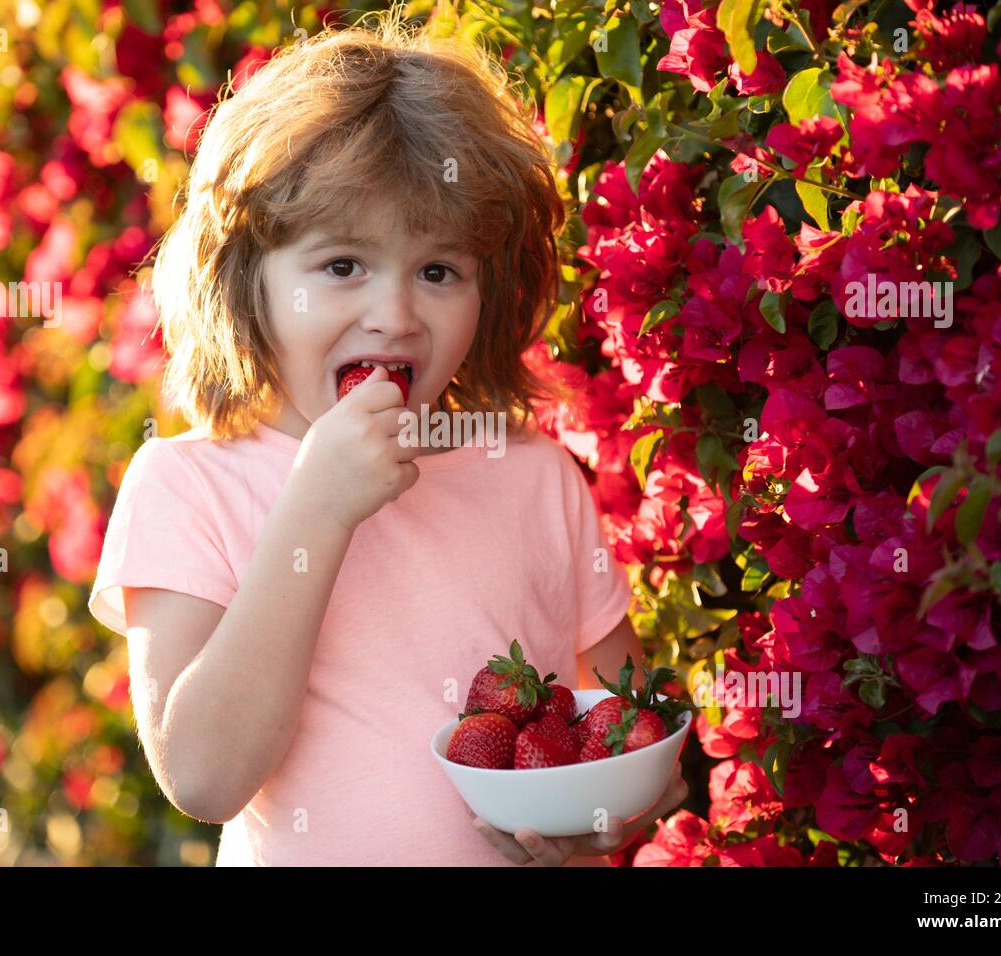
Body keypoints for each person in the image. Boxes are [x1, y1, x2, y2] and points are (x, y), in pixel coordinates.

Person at [88, 8, 687, 867]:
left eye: (439, 271)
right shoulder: (189, 487)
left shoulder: (532, 474)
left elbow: (634, 728)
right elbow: (205, 777)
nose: (396, 315)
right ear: (247, 281)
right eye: (342, 266)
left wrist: (607, 813)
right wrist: (316, 511)